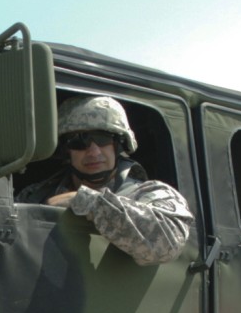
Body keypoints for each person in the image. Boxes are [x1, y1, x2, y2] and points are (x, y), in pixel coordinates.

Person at [17, 95, 194, 266]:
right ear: (66, 150)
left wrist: (87, 201)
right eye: (79, 142)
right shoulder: (35, 195)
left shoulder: (150, 195)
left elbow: (168, 243)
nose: (93, 152)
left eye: (102, 139)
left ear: (118, 144)